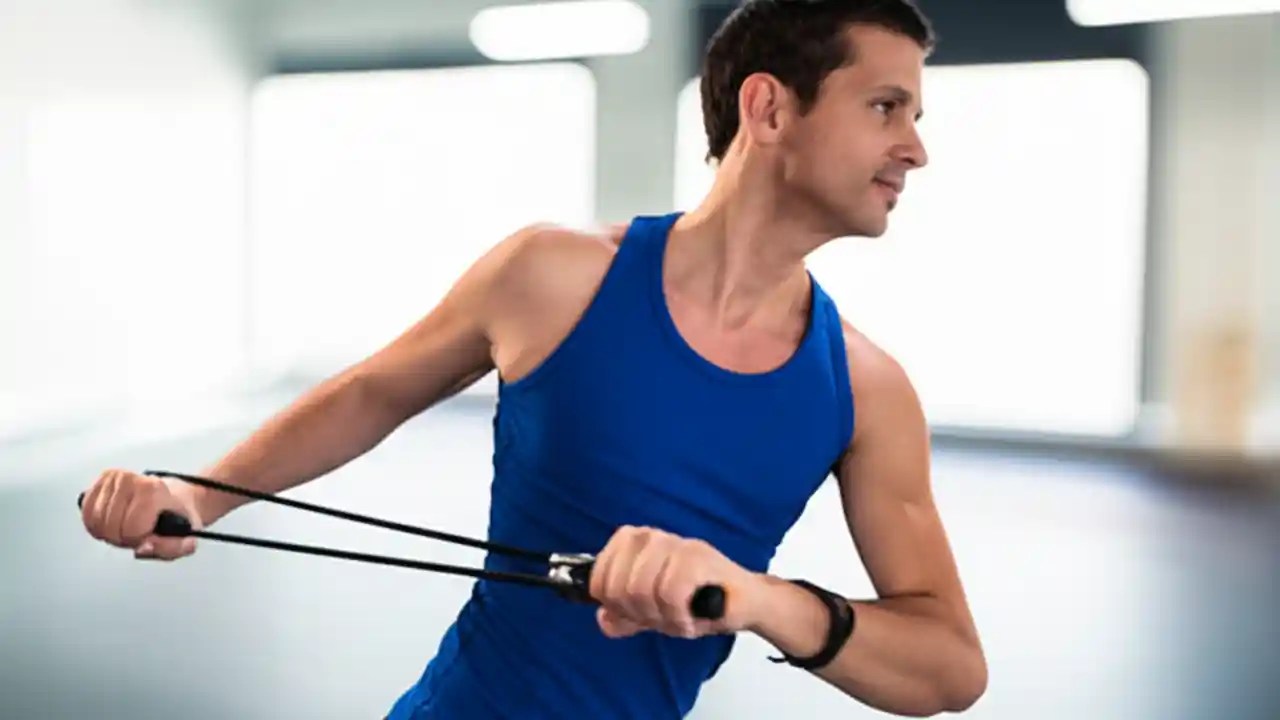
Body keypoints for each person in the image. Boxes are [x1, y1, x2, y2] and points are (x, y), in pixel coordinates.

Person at [79, 1, 987, 717]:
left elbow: (950, 665)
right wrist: (196, 497)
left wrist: (758, 600)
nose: (916, 148)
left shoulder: (867, 390)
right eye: (886, 107)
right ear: (770, 108)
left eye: (914, 115)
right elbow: (372, 393)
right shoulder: (554, 275)